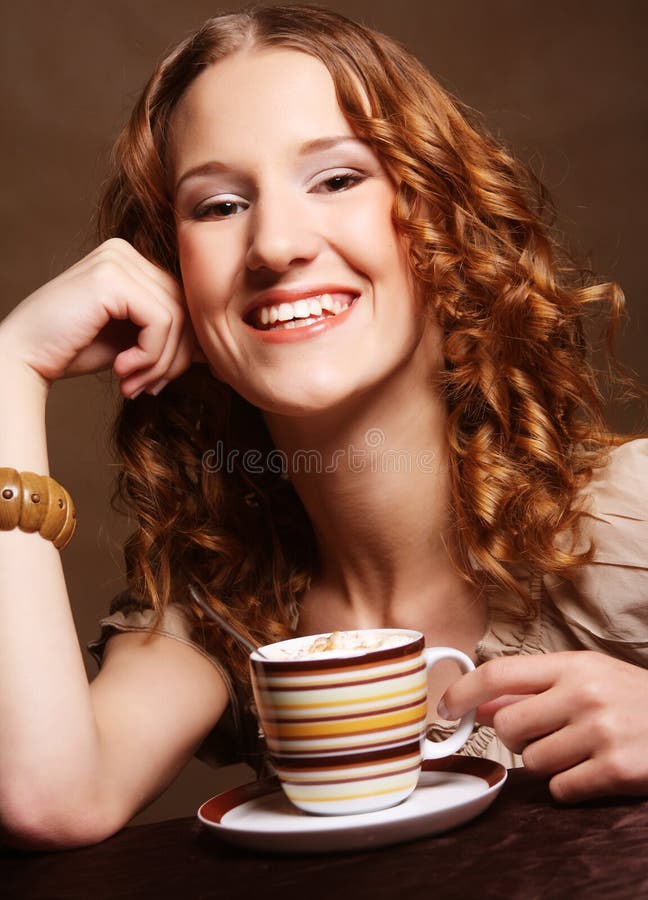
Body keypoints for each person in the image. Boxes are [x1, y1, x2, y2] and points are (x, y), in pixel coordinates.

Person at [1, 5, 647, 851]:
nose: (275, 244)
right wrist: (12, 368)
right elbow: (50, 798)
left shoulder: (630, 516)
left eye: (338, 179)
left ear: (442, 226)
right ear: (173, 281)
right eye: (221, 205)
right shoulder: (218, 615)